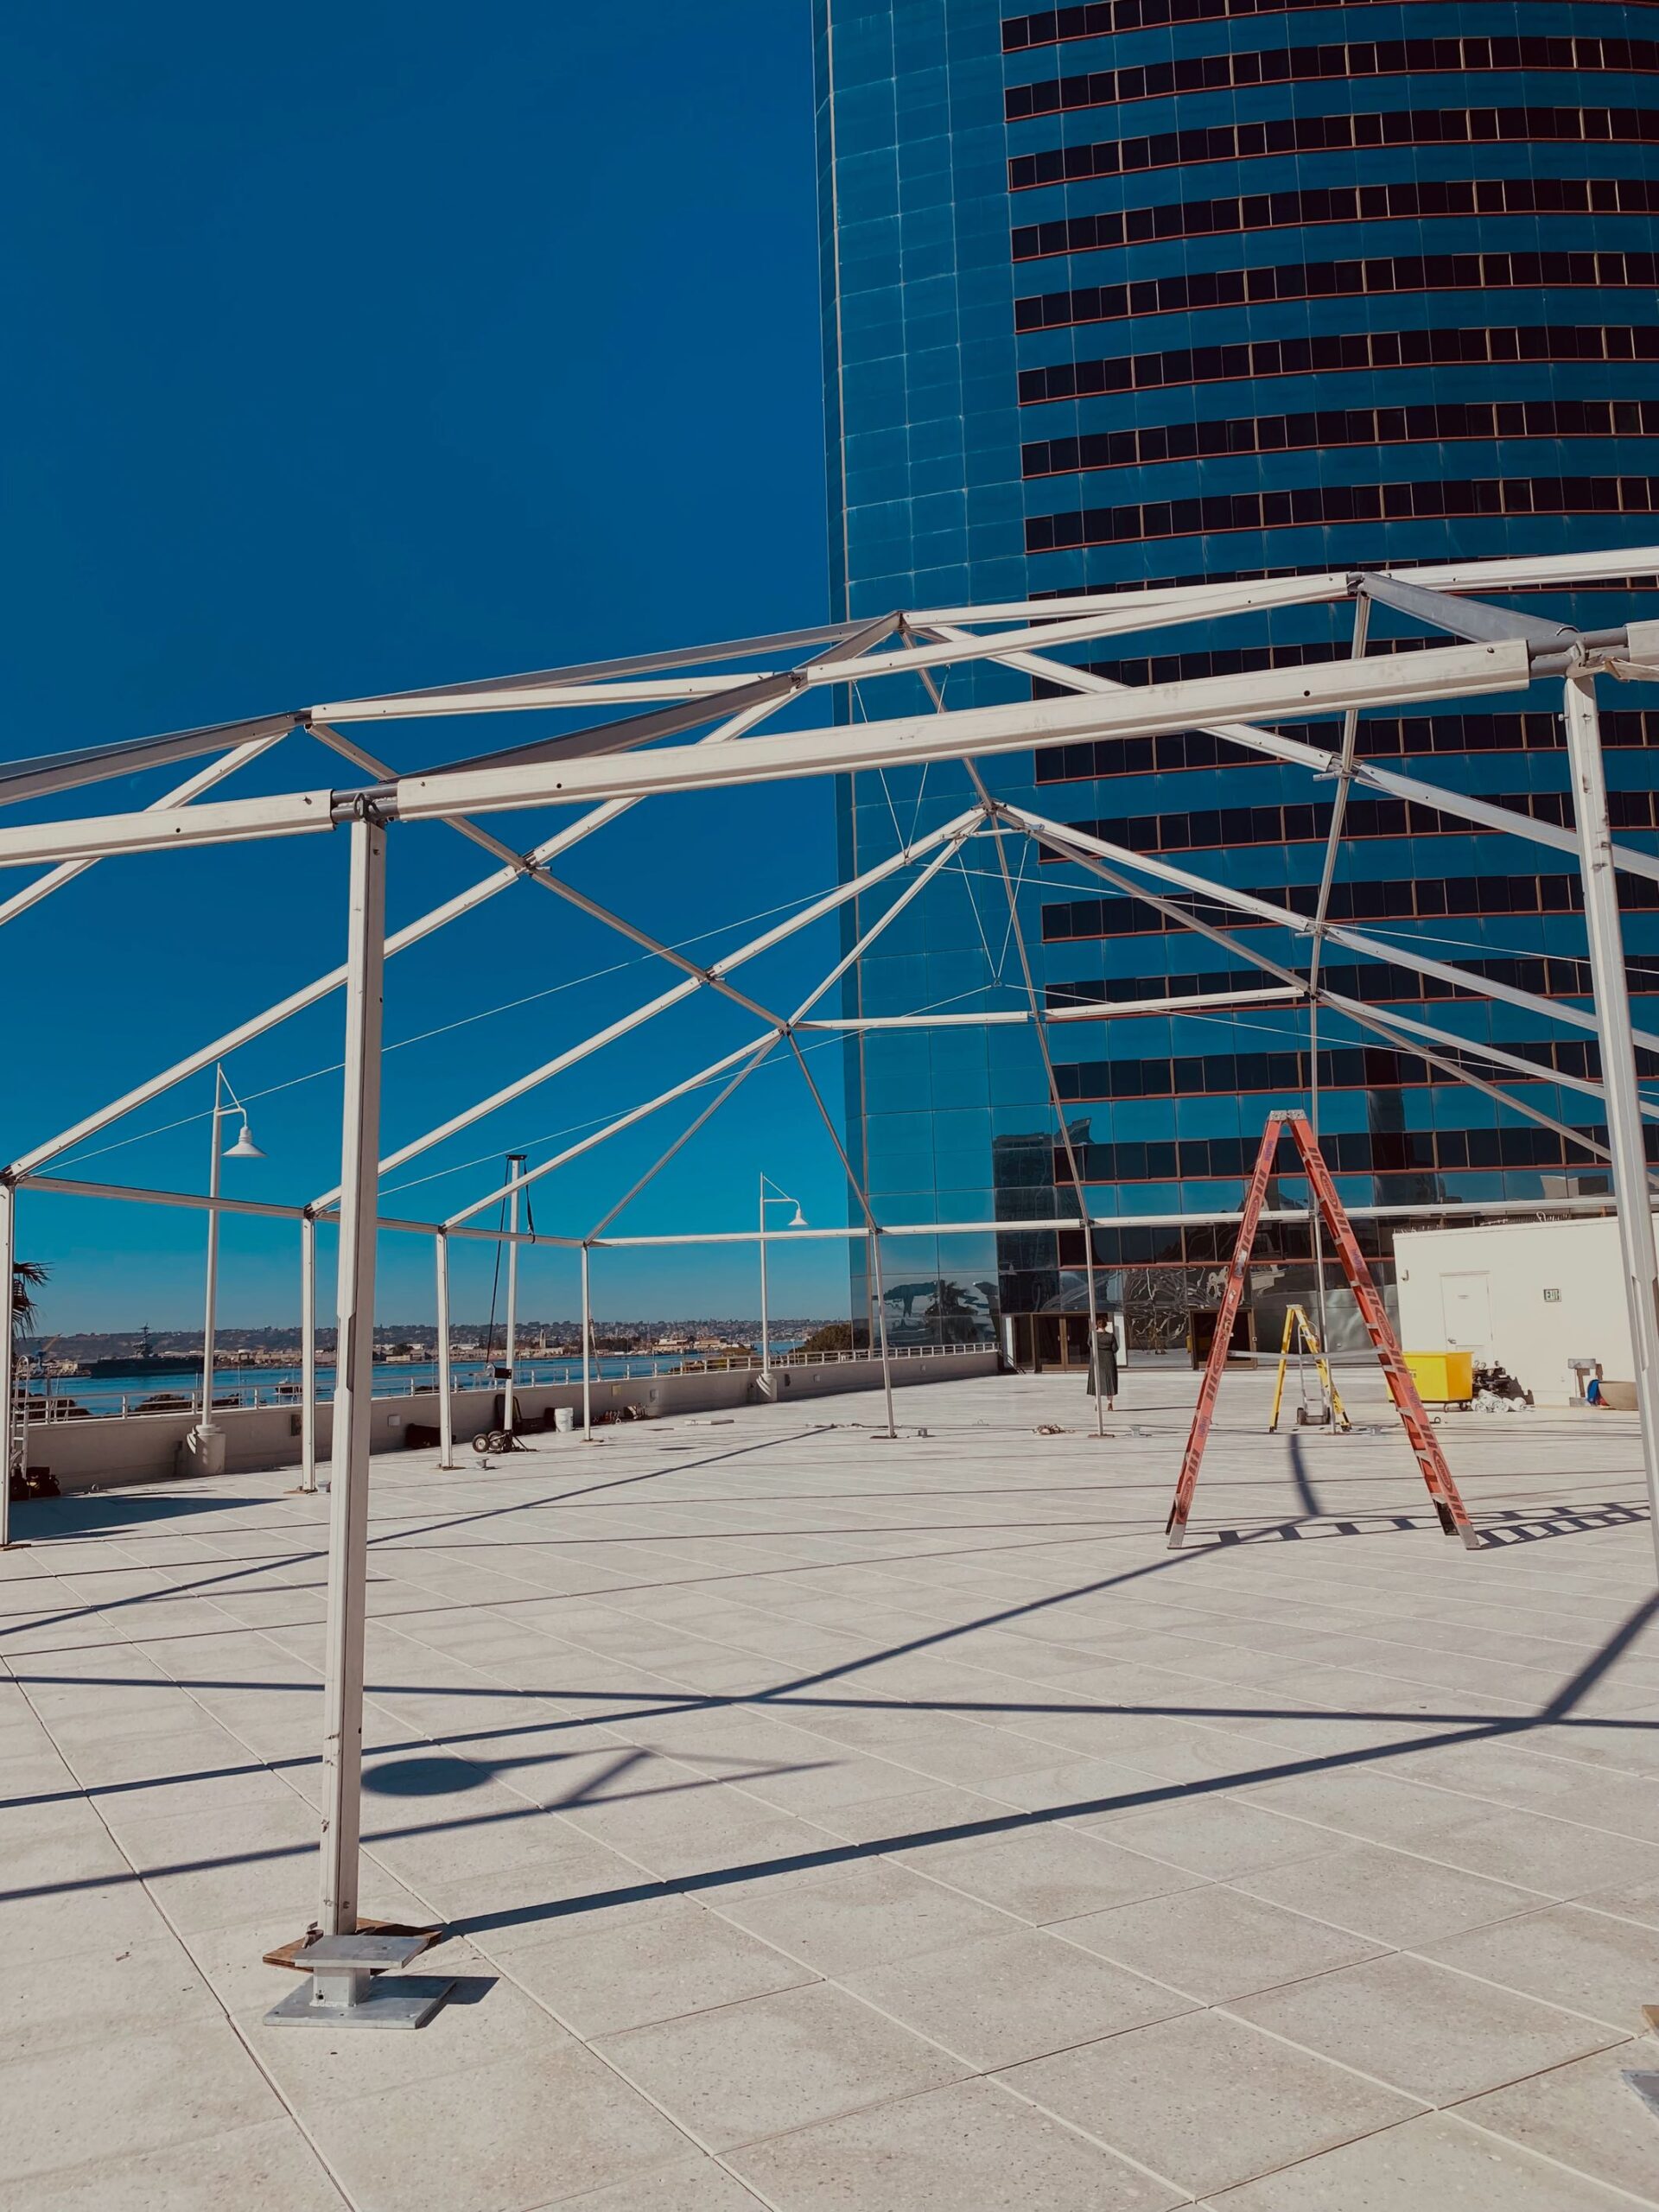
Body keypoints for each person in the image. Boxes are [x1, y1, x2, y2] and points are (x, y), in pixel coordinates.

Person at [1086, 1319, 1119, 1411]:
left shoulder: (1092, 1335)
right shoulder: (1110, 1336)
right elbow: (1115, 1348)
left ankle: (1097, 1404)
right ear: (1106, 1325)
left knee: (1096, 1382)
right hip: (1109, 1360)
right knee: (1109, 1381)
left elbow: (1089, 1344)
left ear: (1097, 1325)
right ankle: (1110, 1404)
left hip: (1096, 1359)